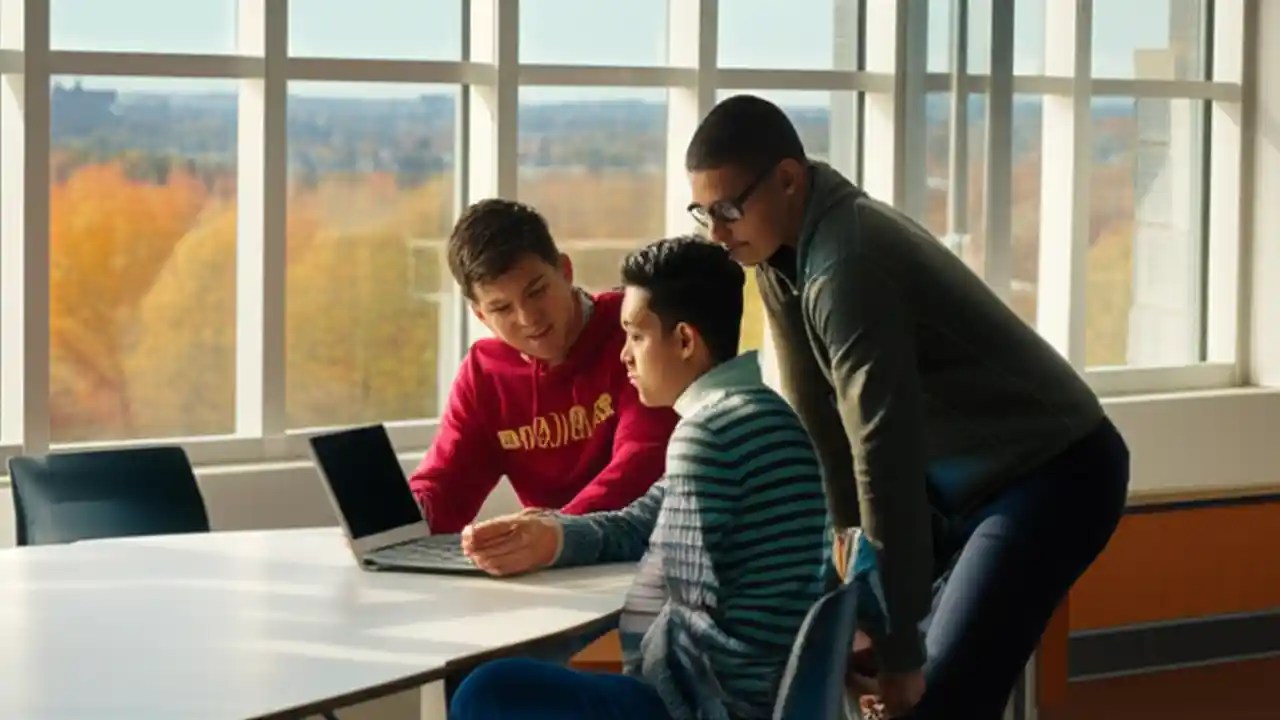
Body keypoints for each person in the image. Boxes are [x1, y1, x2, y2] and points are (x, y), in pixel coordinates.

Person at [683, 94, 1130, 719]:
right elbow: (828, 446)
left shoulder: (847, 262)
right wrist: (848, 611)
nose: (716, 234)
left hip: (1053, 474)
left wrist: (898, 653)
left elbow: (880, 456)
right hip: (963, 491)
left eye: (728, 209)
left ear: (788, 179)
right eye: (703, 213)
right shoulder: (776, 255)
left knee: (932, 699)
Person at [448, 237, 831, 720]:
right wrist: (554, 534)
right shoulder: (761, 412)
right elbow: (640, 523)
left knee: (486, 689)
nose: (624, 355)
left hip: (707, 704)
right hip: (755, 690)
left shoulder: (708, 436)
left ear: (686, 341)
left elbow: (673, 598)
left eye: (636, 336)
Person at [406, 200, 678, 540]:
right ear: (480, 315)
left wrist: (554, 534)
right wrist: (398, 520)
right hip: (549, 571)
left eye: (537, 292)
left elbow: (642, 464)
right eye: (501, 307)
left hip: (642, 553)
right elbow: (446, 484)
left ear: (565, 271)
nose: (528, 318)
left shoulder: (633, 331)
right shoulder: (484, 373)